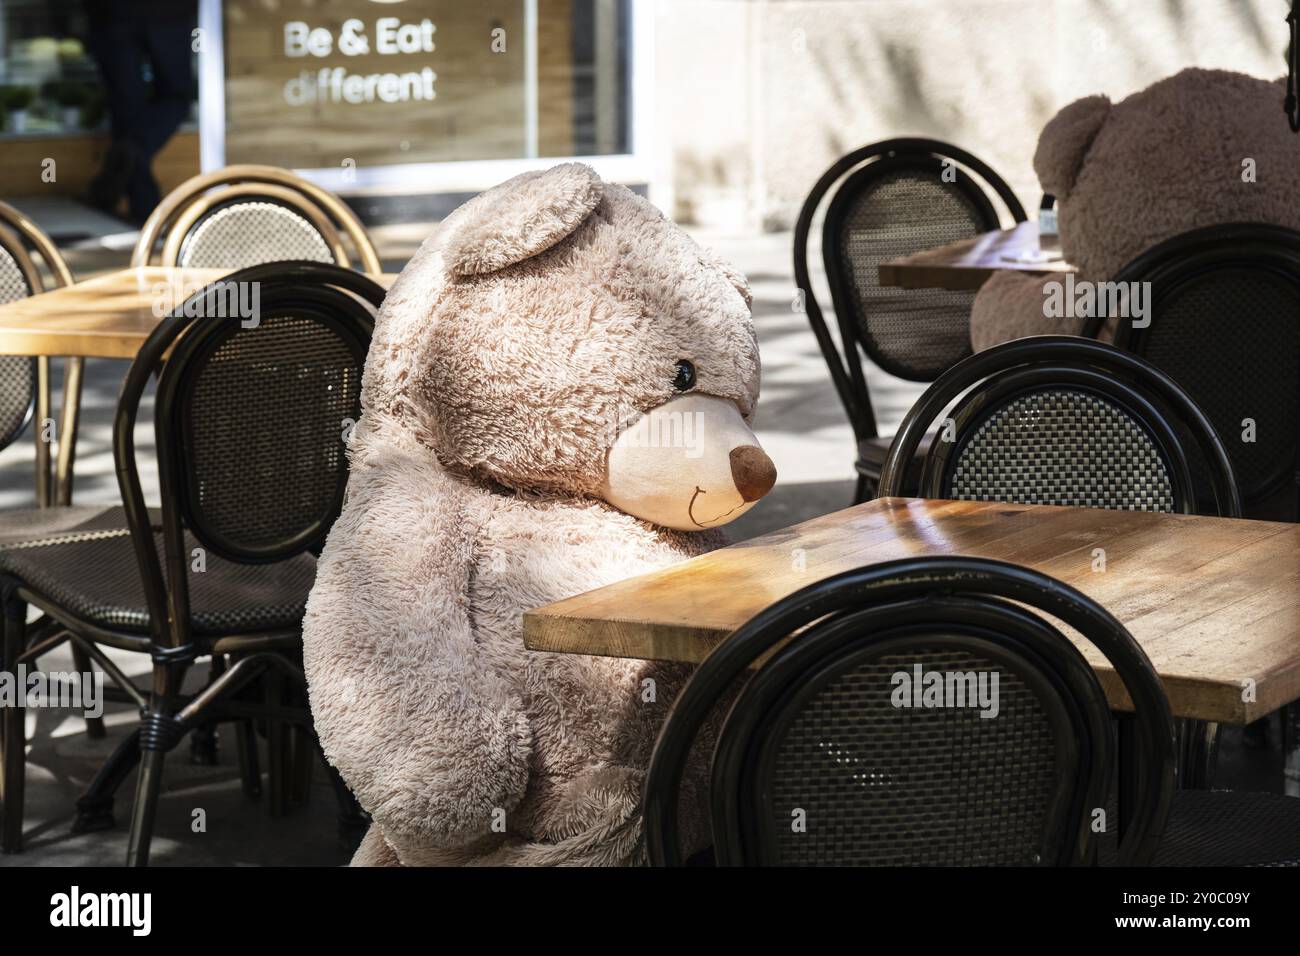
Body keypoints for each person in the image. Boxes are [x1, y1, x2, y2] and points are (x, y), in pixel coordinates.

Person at [84, 1, 197, 224]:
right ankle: (133, 161)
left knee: (126, 109)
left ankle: (143, 205)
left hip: (114, 15)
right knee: (175, 97)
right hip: (166, 14)